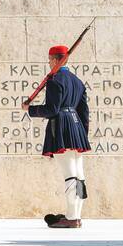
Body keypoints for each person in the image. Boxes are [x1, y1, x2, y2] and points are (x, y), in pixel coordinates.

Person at [26, 45, 91, 228]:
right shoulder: (77, 81)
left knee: (70, 175)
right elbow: (84, 112)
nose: (48, 64)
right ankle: (76, 216)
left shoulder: (55, 80)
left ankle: (71, 218)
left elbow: (52, 110)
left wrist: (30, 109)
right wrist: (81, 135)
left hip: (62, 125)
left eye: (49, 60)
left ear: (55, 60)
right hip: (76, 126)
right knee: (79, 175)